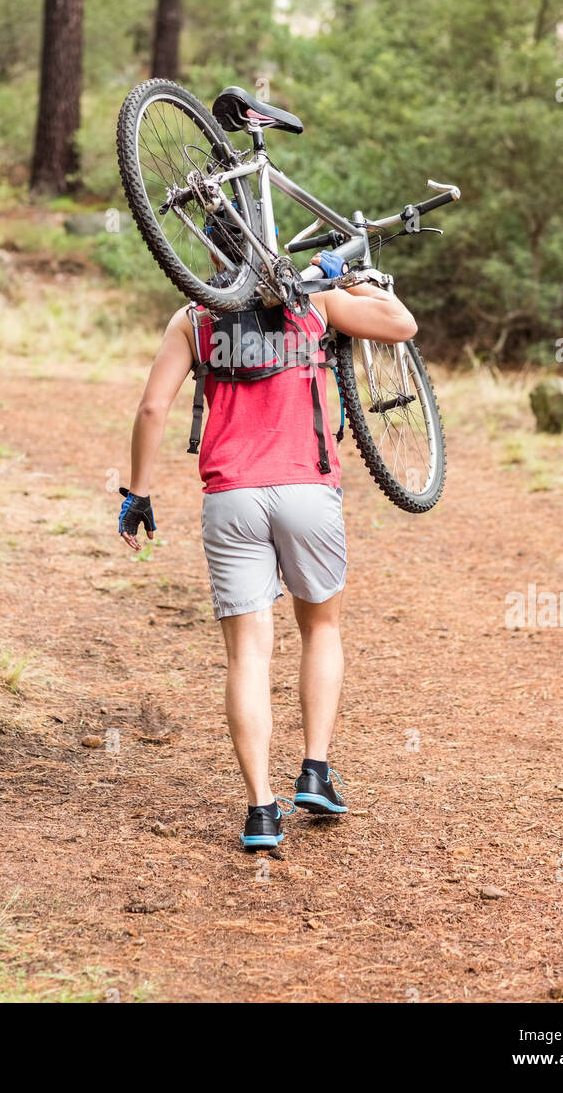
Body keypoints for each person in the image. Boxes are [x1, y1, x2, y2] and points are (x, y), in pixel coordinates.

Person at [119, 248, 417, 850]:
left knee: (248, 656)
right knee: (322, 629)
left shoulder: (194, 317)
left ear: (205, 253)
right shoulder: (314, 302)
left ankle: (260, 811)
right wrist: (350, 277)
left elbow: (154, 408)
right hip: (307, 487)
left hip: (231, 497)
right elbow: (401, 324)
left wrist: (138, 492)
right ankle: (315, 770)